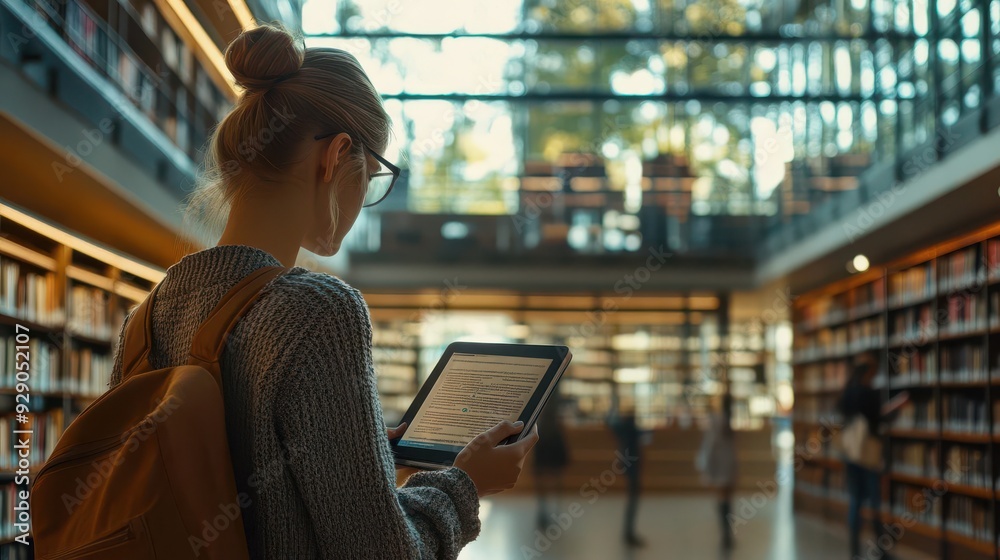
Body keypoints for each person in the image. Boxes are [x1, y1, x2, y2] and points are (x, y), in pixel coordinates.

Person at [108, 23, 538, 560]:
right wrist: (466, 484)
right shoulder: (318, 312)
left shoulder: (148, 315)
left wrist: (360, 456)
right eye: (375, 172)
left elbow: (217, 479)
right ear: (336, 157)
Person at [836, 351, 909, 560]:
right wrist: (896, 409)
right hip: (867, 454)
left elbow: (841, 414)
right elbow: (879, 419)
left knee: (855, 500)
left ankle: (854, 550)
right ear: (869, 372)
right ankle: (880, 549)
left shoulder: (847, 391)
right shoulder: (868, 393)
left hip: (850, 452)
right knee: (874, 500)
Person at [695, 390, 738, 549]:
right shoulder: (726, 422)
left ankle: (725, 533)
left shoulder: (717, 421)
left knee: (722, 499)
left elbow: (710, 446)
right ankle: (727, 534)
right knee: (727, 499)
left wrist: (705, 466)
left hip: (720, 466)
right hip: (727, 465)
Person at [607, 396, 650, 547]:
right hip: (633, 466)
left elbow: (609, 421)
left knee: (632, 499)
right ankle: (629, 533)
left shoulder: (622, 427)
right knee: (633, 499)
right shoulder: (633, 429)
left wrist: (611, 407)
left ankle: (628, 532)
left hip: (626, 465)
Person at [533, 393, 570, 529]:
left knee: (543, 489)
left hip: (544, 459)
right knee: (554, 487)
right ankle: (553, 515)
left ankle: (544, 515)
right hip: (552, 459)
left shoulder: (541, 426)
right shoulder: (555, 426)